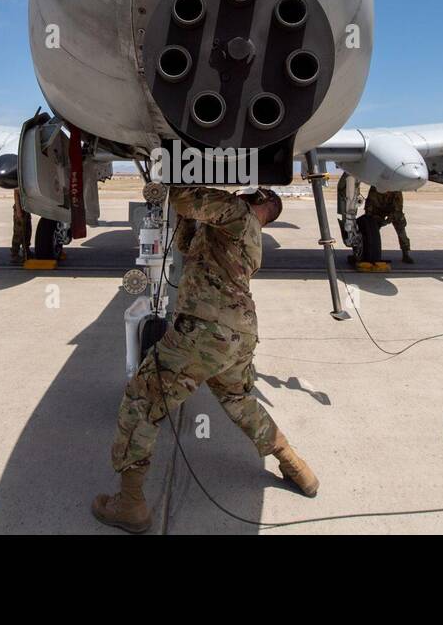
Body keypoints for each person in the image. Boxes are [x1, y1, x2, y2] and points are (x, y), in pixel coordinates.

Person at [93, 186, 318, 533]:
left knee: (142, 401)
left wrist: (177, 174)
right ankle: (295, 465)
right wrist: (186, 219)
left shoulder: (237, 212)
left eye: (244, 193)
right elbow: (186, 245)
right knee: (239, 401)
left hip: (203, 332)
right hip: (237, 335)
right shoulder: (241, 233)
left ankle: (130, 504)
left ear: (258, 202)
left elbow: (185, 199)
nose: (237, 194)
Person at [364, 186, 413, 263]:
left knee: (401, 228)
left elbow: (397, 211)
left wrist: (387, 221)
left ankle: (405, 253)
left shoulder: (396, 190)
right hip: (378, 210)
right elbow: (369, 207)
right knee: (370, 230)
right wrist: (372, 220)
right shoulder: (375, 188)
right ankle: (366, 251)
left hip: (393, 210)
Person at [10, 189, 32, 264]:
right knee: (18, 233)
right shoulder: (19, 182)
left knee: (27, 231)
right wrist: (19, 211)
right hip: (20, 209)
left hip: (26, 208)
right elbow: (16, 193)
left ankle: (26, 252)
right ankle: (14, 254)